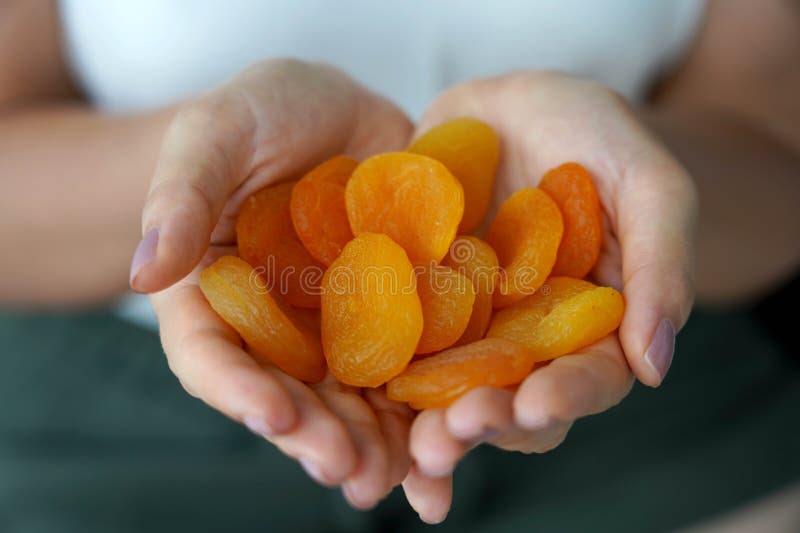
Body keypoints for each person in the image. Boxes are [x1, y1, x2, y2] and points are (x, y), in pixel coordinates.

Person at [1, 0, 798, 528]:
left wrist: (642, 176)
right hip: (118, 421)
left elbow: (779, 182)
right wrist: (193, 185)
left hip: (641, 415)